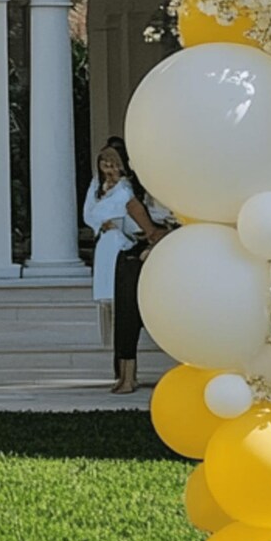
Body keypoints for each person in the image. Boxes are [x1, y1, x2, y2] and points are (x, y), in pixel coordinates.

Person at [81, 139, 168, 393]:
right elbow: (90, 214)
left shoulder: (128, 191)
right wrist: (103, 223)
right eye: (104, 161)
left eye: (113, 162)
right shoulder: (98, 188)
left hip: (127, 250)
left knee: (127, 314)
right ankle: (122, 374)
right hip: (108, 250)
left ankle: (129, 375)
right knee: (117, 313)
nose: (108, 166)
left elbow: (142, 222)